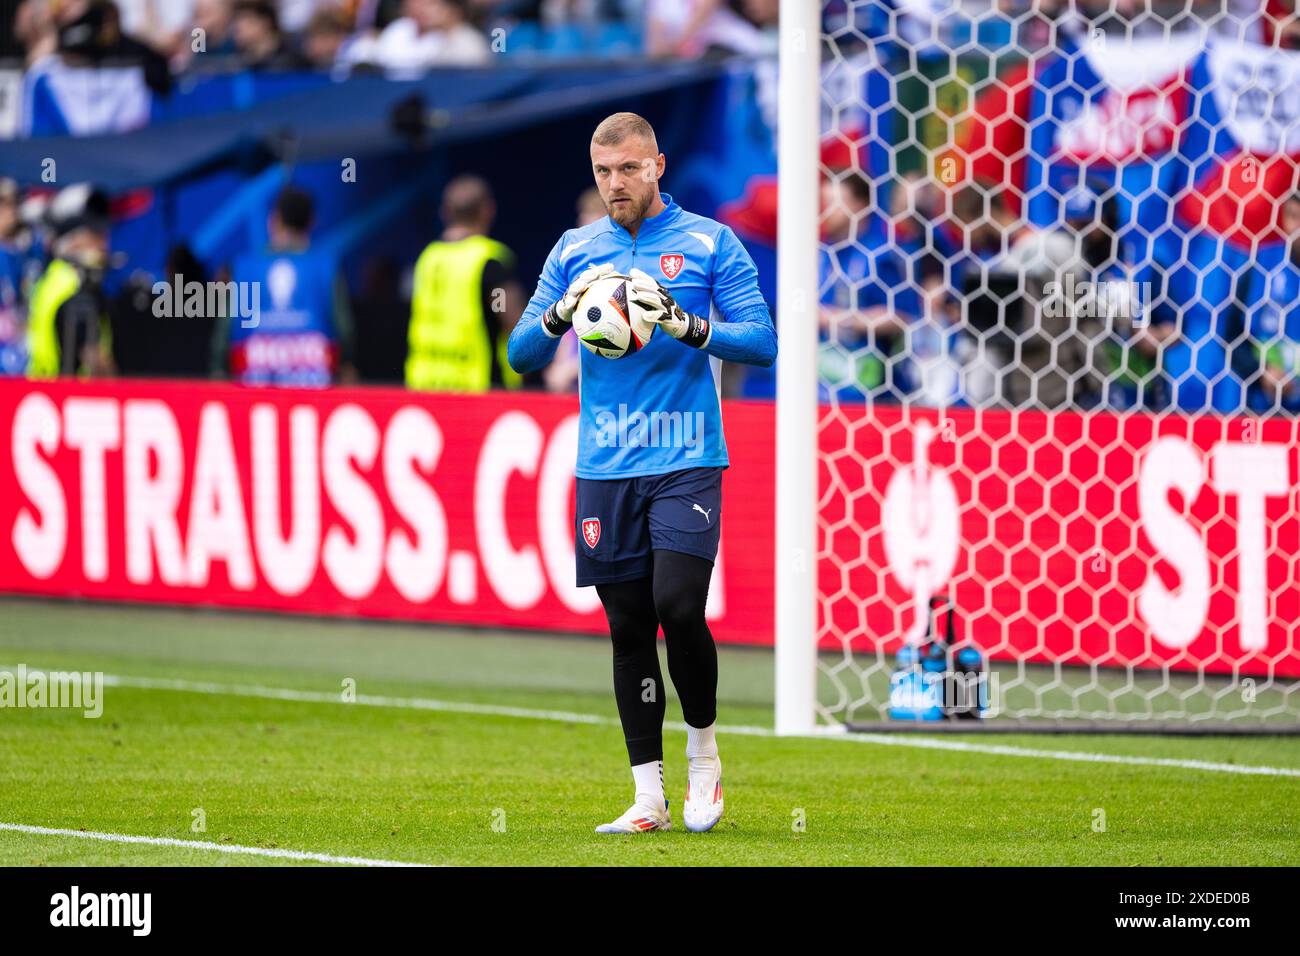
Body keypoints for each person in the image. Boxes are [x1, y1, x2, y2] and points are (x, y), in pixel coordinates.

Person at [506, 112, 776, 834]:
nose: (615, 184)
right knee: (629, 626)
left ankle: (705, 755)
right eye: (603, 173)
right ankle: (648, 796)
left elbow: (763, 341)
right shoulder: (575, 249)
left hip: (687, 456)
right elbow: (521, 354)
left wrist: (690, 327)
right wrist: (562, 311)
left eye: (628, 169)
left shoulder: (709, 242)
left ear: (657, 164)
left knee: (680, 606)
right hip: (606, 462)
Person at [225, 185, 353, 386]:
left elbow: (224, 336)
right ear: (312, 222)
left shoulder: (245, 269)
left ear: (274, 220)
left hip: (252, 393)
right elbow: (345, 331)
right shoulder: (325, 267)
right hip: (315, 391)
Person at [406, 175, 523, 391]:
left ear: (445, 212)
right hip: (478, 385)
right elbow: (515, 323)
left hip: (424, 383)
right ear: (488, 210)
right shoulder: (490, 260)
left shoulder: (428, 258)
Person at [26, 183, 115, 378]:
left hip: (44, 395)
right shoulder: (78, 288)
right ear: (73, 242)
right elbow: (95, 362)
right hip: (72, 401)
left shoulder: (52, 278)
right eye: (95, 236)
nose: (104, 244)